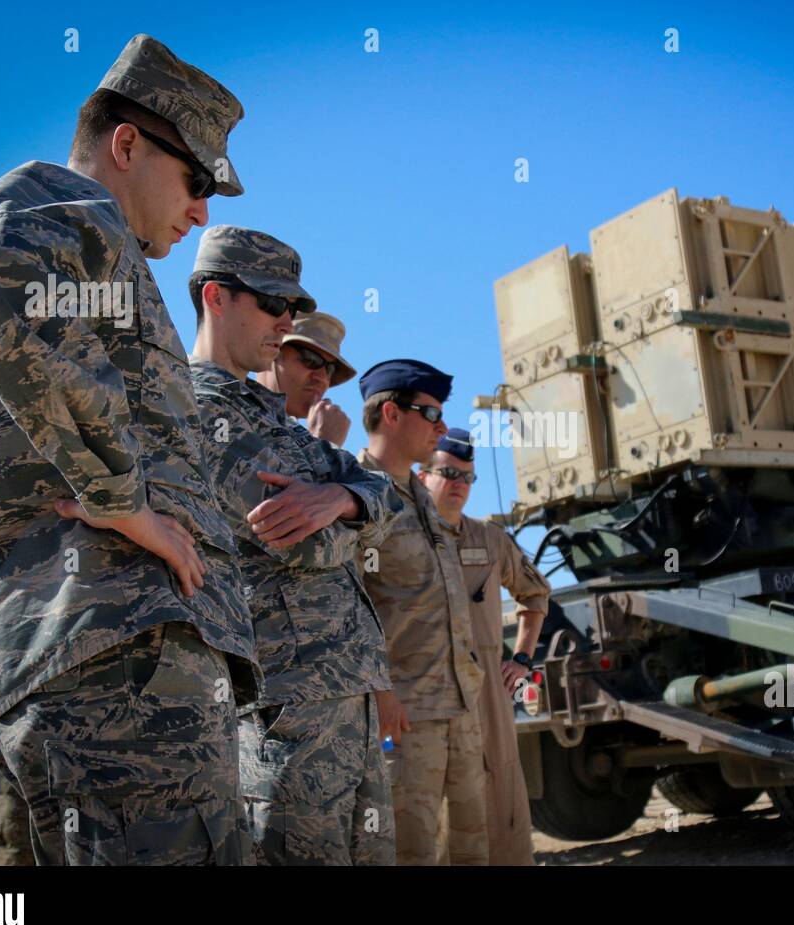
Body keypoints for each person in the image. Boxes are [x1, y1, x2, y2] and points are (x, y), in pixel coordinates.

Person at [0, 35, 258, 865]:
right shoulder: (61, 209)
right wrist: (125, 502)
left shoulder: (90, 250)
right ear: (127, 143)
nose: (202, 214)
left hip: (110, 655)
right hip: (119, 658)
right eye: (196, 182)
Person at [188, 226, 402, 864]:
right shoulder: (200, 411)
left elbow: (383, 495)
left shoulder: (267, 414)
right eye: (273, 304)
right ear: (217, 297)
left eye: (292, 309)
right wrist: (351, 502)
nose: (285, 323)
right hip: (288, 702)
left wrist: (342, 498)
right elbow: (299, 544)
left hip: (345, 694)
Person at [356, 361, 488, 864]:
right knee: (411, 848)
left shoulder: (420, 497)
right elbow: (349, 598)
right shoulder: (357, 492)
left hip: (458, 701)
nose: (440, 426)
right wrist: (381, 690)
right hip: (405, 715)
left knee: (472, 841)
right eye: (430, 412)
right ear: (390, 412)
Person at [419, 429, 550, 865]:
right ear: (423, 478)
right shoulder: (402, 541)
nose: (459, 484)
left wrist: (523, 659)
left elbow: (535, 595)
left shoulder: (490, 540)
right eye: (449, 473)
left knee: (501, 787)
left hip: (487, 691)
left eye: (468, 477)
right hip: (428, 691)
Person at [258, 312, 356, 446]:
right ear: (273, 352)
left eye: (330, 369)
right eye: (310, 360)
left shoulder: (290, 436)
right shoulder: (230, 415)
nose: (321, 378)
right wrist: (323, 446)